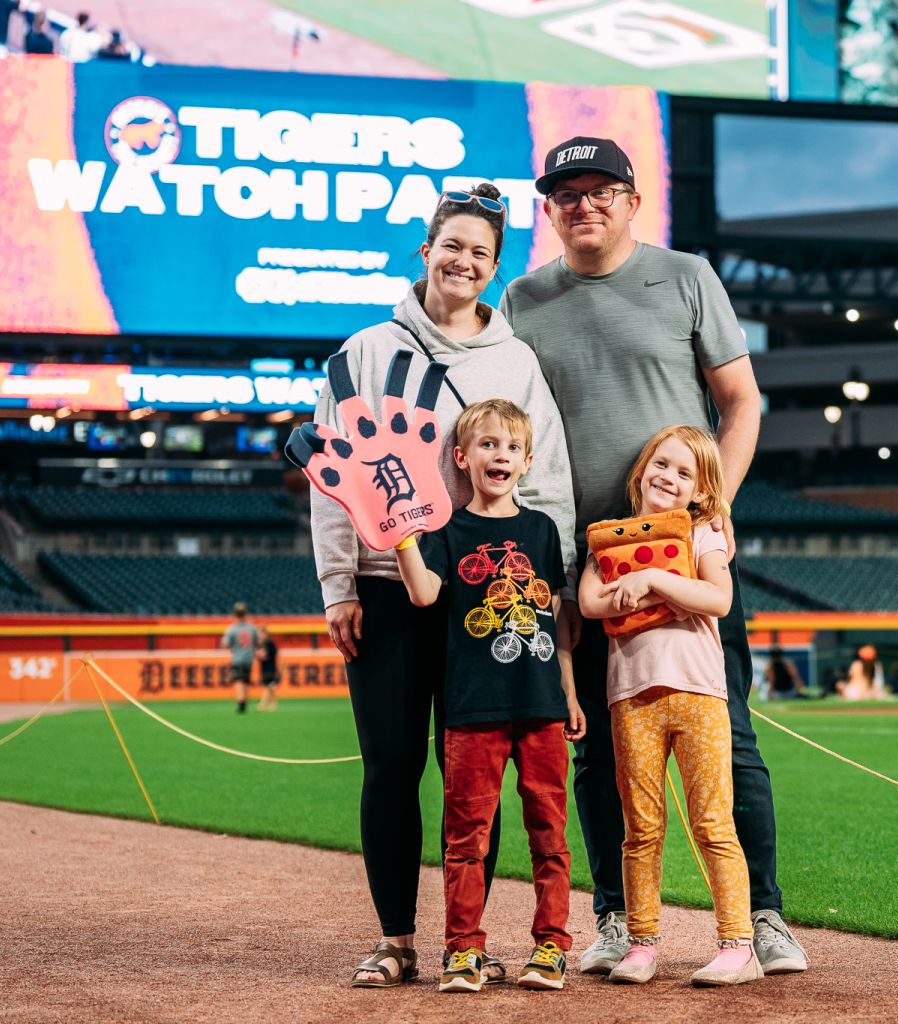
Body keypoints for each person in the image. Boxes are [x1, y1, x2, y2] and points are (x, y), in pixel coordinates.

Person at [500, 135, 807, 976]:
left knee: (729, 735)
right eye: (568, 194)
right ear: (550, 209)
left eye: (603, 190)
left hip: (684, 550)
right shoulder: (522, 299)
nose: (585, 204)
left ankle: (765, 917)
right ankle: (613, 918)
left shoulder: (685, 275)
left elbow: (741, 401)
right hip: (585, 559)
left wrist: (719, 508)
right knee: (598, 743)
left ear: (634, 201)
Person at [309, 183, 576, 988]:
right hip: (388, 586)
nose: (465, 262)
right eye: (452, 246)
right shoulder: (361, 352)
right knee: (390, 766)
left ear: (495, 270)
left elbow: (551, 479)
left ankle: (469, 938)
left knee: (480, 770)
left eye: (481, 253)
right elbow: (334, 476)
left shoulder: (516, 360)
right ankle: (396, 938)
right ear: (425, 252)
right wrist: (338, 586)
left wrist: (550, 601)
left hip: (483, 593)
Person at [395, 398, 585, 993]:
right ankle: (462, 951)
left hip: (541, 708)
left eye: (510, 447)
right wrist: (399, 537)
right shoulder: (447, 532)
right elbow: (424, 595)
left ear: (527, 461)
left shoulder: (542, 531)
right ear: (462, 458)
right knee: (465, 838)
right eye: (486, 445)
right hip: (472, 709)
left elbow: (553, 620)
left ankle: (551, 946)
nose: (498, 455)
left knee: (549, 834)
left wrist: (570, 695)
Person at [578, 426, 762, 986]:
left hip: (698, 693)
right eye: (662, 465)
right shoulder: (608, 539)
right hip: (631, 699)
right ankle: (641, 943)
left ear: (701, 492)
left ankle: (738, 944)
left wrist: (653, 577)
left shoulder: (704, 532)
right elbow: (589, 602)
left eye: (685, 474)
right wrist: (633, 581)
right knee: (641, 828)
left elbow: (719, 597)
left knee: (713, 821)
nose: (669, 478)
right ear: (641, 471)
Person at [218, 602, 259, 714]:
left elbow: (225, 644)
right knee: (245, 681)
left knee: (239, 680)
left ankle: (241, 703)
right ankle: (245, 701)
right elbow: (257, 642)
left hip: (238, 658)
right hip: (249, 658)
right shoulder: (252, 628)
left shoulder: (232, 629)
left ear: (235, 614)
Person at [257, 632, 280, 712]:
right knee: (270, 687)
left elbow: (266, 656)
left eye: (261, 634)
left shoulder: (269, 644)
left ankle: (262, 704)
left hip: (270, 668)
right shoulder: (262, 644)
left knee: (268, 686)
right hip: (264, 668)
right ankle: (273, 704)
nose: (260, 636)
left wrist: (257, 654)